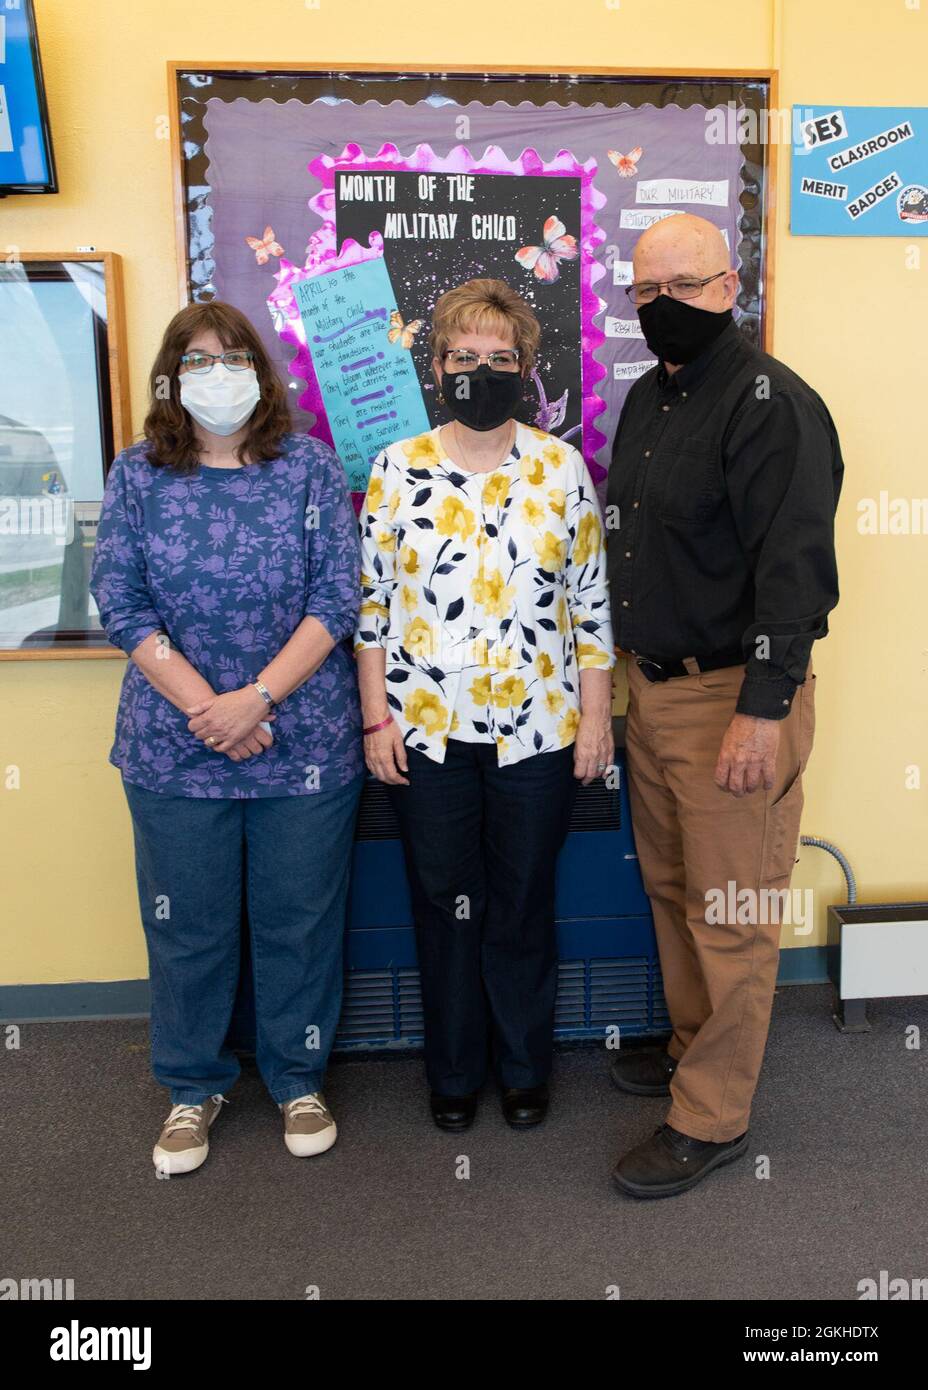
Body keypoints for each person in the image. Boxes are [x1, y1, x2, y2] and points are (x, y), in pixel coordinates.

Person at [89, 301, 364, 1174]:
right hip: (175, 747)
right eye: (198, 361)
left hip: (301, 738)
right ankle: (190, 1088)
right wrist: (211, 706)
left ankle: (298, 1079)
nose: (218, 376)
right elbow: (122, 604)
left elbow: (338, 600)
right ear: (172, 376)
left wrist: (255, 699)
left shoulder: (311, 469)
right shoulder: (137, 476)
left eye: (233, 358)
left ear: (261, 370)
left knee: (300, 921)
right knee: (188, 926)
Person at [606, 214, 843, 1198]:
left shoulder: (770, 404)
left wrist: (761, 707)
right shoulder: (643, 401)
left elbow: (794, 571)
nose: (663, 305)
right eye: (644, 292)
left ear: (727, 284)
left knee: (733, 912)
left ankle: (711, 1117)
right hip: (650, 693)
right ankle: (692, 1046)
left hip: (731, 699)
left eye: (682, 285)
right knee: (673, 893)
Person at [355, 278, 615, 1132]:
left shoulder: (560, 467)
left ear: (525, 370)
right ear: (436, 367)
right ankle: (455, 1073)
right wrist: (374, 719)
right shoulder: (397, 468)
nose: (480, 370)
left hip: (539, 731)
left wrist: (597, 718)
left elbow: (590, 604)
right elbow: (371, 611)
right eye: (462, 356)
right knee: (442, 901)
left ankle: (523, 1068)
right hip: (426, 731)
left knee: (522, 899)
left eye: (500, 358)